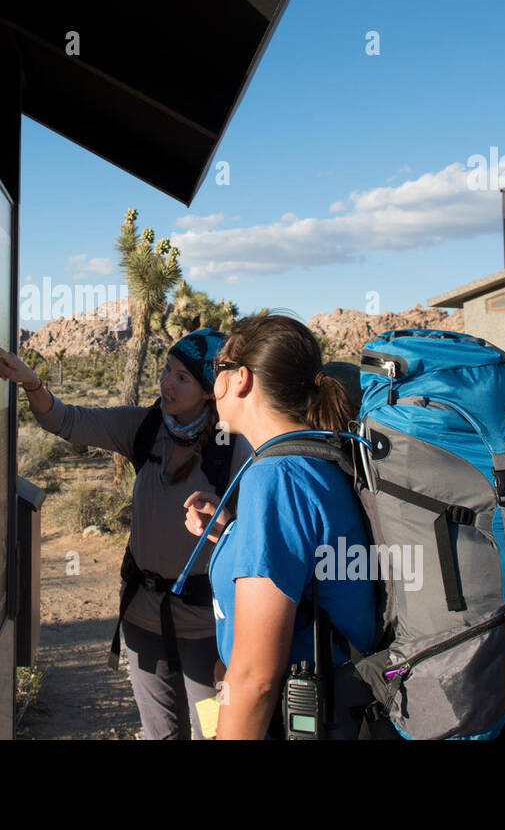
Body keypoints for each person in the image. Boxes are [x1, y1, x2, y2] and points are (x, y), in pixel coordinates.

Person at [0, 329, 251, 740]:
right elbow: (66, 420)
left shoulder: (234, 445)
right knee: (161, 733)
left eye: (182, 377)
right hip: (143, 617)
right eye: (166, 370)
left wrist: (227, 522)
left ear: (207, 390)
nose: (166, 383)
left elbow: (257, 532)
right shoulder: (144, 427)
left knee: (214, 733)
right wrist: (32, 384)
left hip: (208, 629)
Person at [183, 313, 378, 739]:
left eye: (217, 369)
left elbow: (254, 678)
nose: (211, 384)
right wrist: (236, 532)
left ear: (242, 380)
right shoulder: (316, 457)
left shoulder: (277, 476)